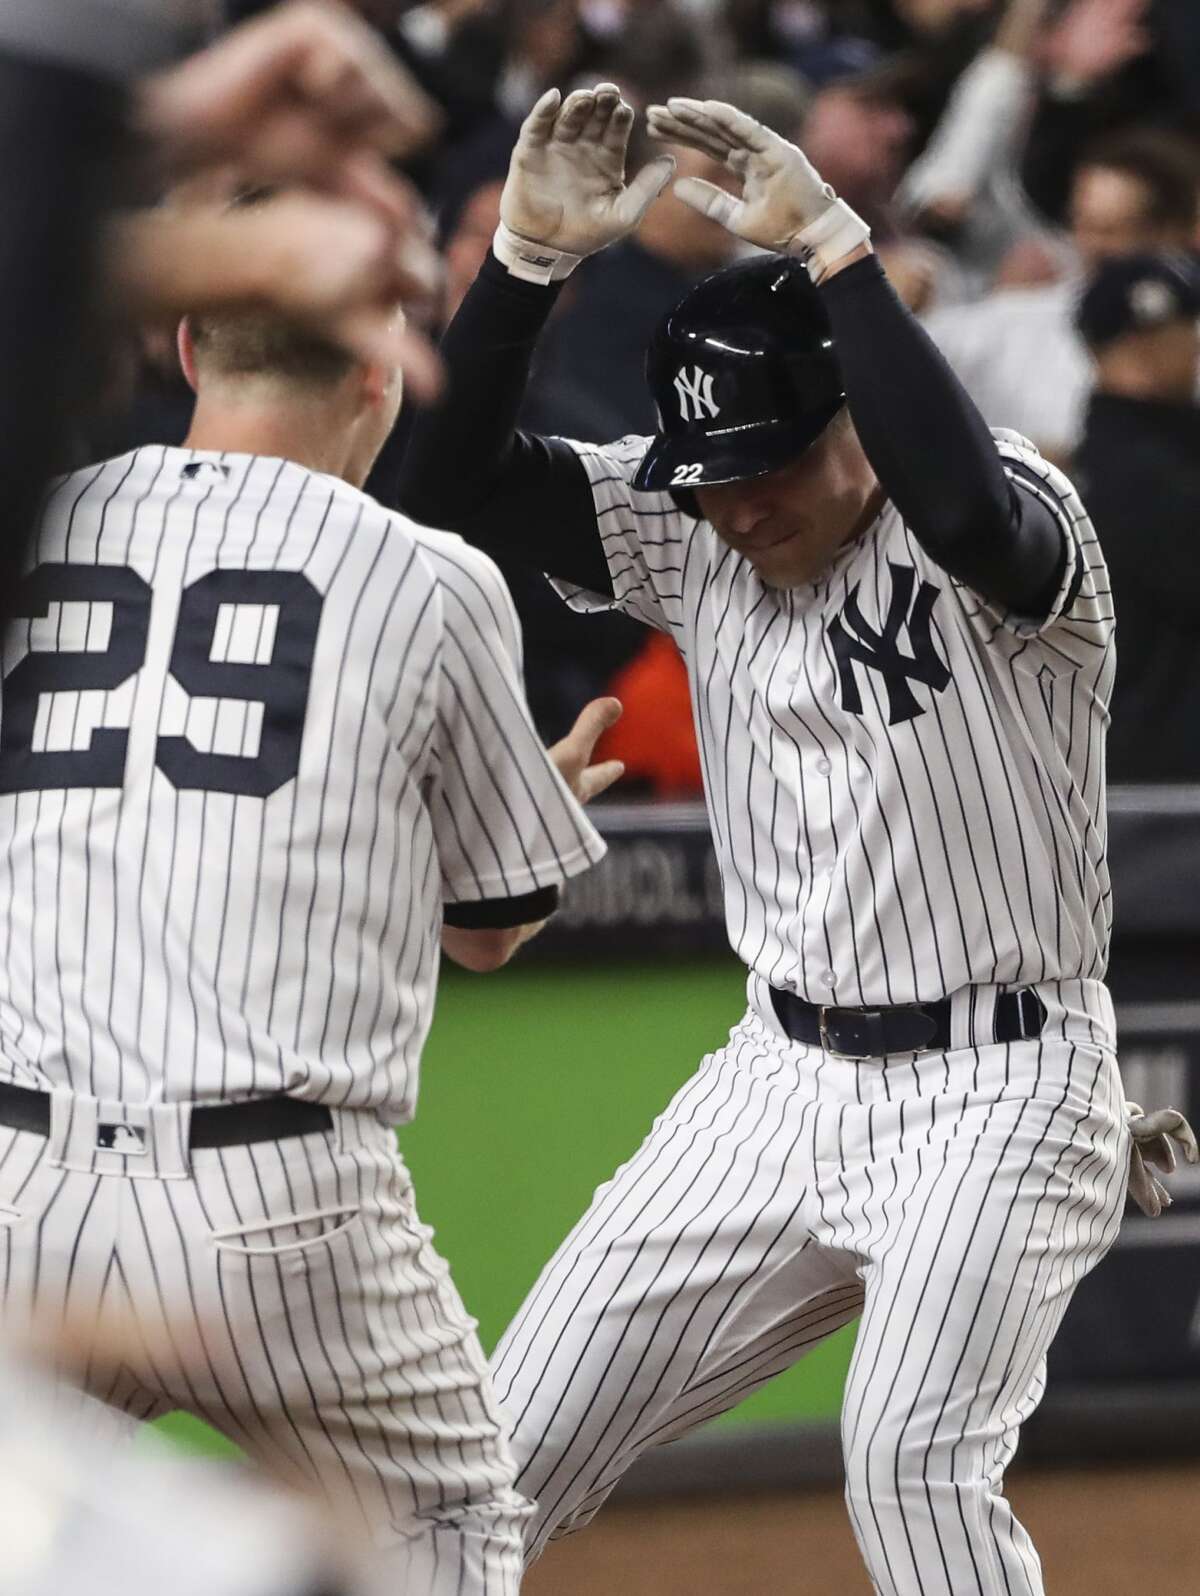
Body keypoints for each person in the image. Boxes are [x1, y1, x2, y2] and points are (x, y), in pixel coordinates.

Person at [398, 84, 1197, 1592]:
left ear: (858, 410)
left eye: (773, 461)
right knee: (483, 1468)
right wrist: (518, 273)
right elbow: (440, 499)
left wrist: (839, 253)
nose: (742, 505)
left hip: (1002, 1084)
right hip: (772, 1077)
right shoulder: (692, 525)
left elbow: (963, 507)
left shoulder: (1009, 510)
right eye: (716, 473)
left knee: (911, 1463)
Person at [0, 190, 617, 1596]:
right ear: (385, 364)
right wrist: (537, 802)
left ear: (187, 345)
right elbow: (490, 929)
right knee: (447, 1538)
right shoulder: (430, 575)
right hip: (281, 1204)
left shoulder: (40, 519)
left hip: (19, 1181)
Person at [922, 127, 1200, 459]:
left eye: (1115, 231)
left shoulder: (1188, 338)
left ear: (1172, 233)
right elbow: (896, 363)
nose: (1094, 246)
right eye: (1085, 225)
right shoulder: (1007, 327)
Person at [1074, 250, 1200, 783]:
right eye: (1182, 330)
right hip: (1156, 771)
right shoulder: (1134, 475)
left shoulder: (1160, 454)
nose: (1193, 346)